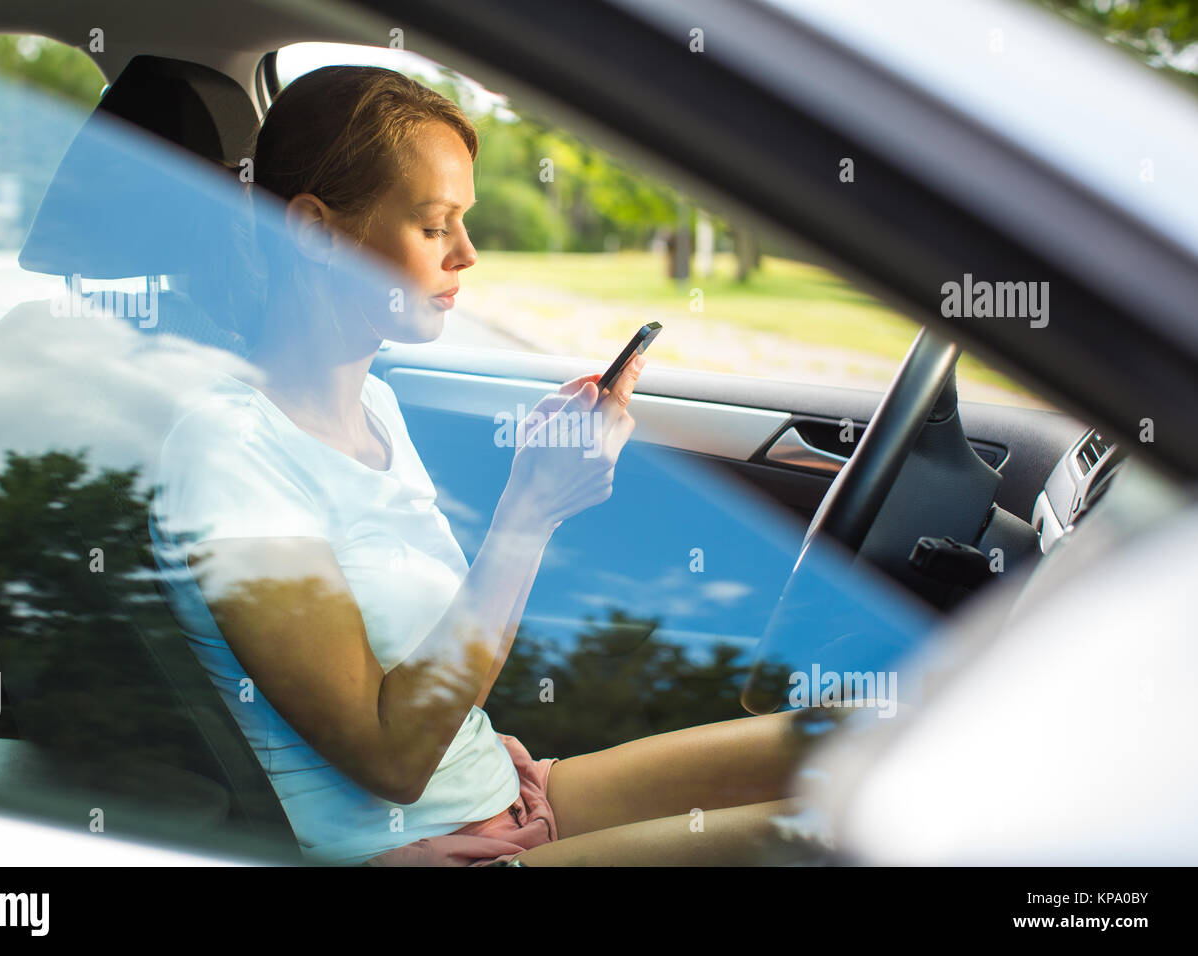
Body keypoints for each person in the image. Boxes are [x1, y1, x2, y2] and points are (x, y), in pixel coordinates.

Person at [150, 65, 829, 866]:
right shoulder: (230, 450)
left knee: (859, 743)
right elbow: (394, 758)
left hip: (503, 790)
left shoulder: (377, 408)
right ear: (316, 231)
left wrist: (467, 737)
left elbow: (420, 678)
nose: (467, 255)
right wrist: (528, 513)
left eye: (462, 223)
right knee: (836, 830)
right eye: (435, 227)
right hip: (423, 848)